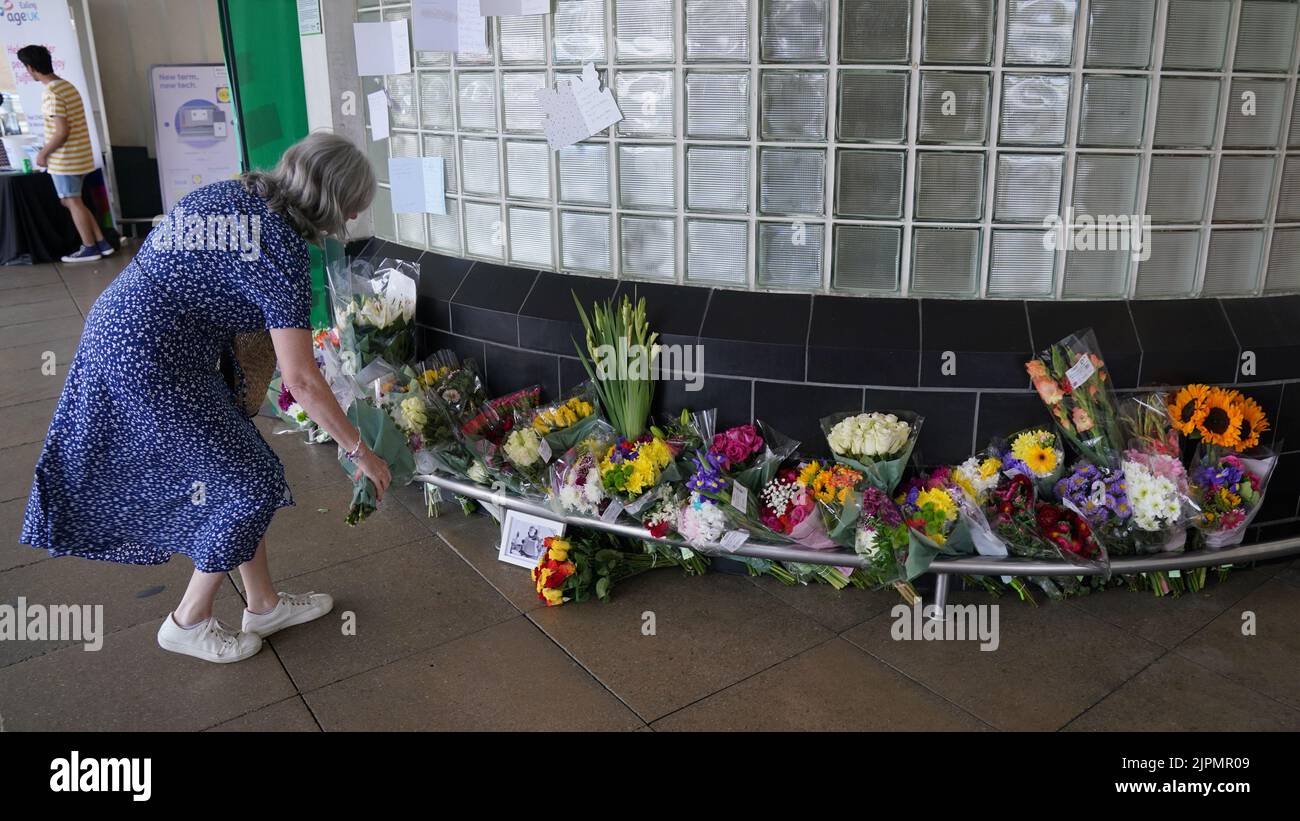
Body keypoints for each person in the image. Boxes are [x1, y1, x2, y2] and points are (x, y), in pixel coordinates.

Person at [20, 132, 391, 663]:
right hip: (153, 362)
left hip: (122, 332)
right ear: (332, 201)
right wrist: (360, 451)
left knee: (238, 471)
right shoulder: (281, 251)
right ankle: (187, 619)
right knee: (252, 483)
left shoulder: (230, 194)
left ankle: (263, 604)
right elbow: (302, 380)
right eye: (353, 206)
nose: (352, 219)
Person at [15, 44, 113, 263]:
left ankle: (89, 247)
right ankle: (101, 243)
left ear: (30, 68)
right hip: (79, 156)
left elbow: (61, 131)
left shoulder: (51, 93)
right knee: (75, 200)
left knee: (71, 201)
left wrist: (43, 153)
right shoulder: (67, 86)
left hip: (65, 159)